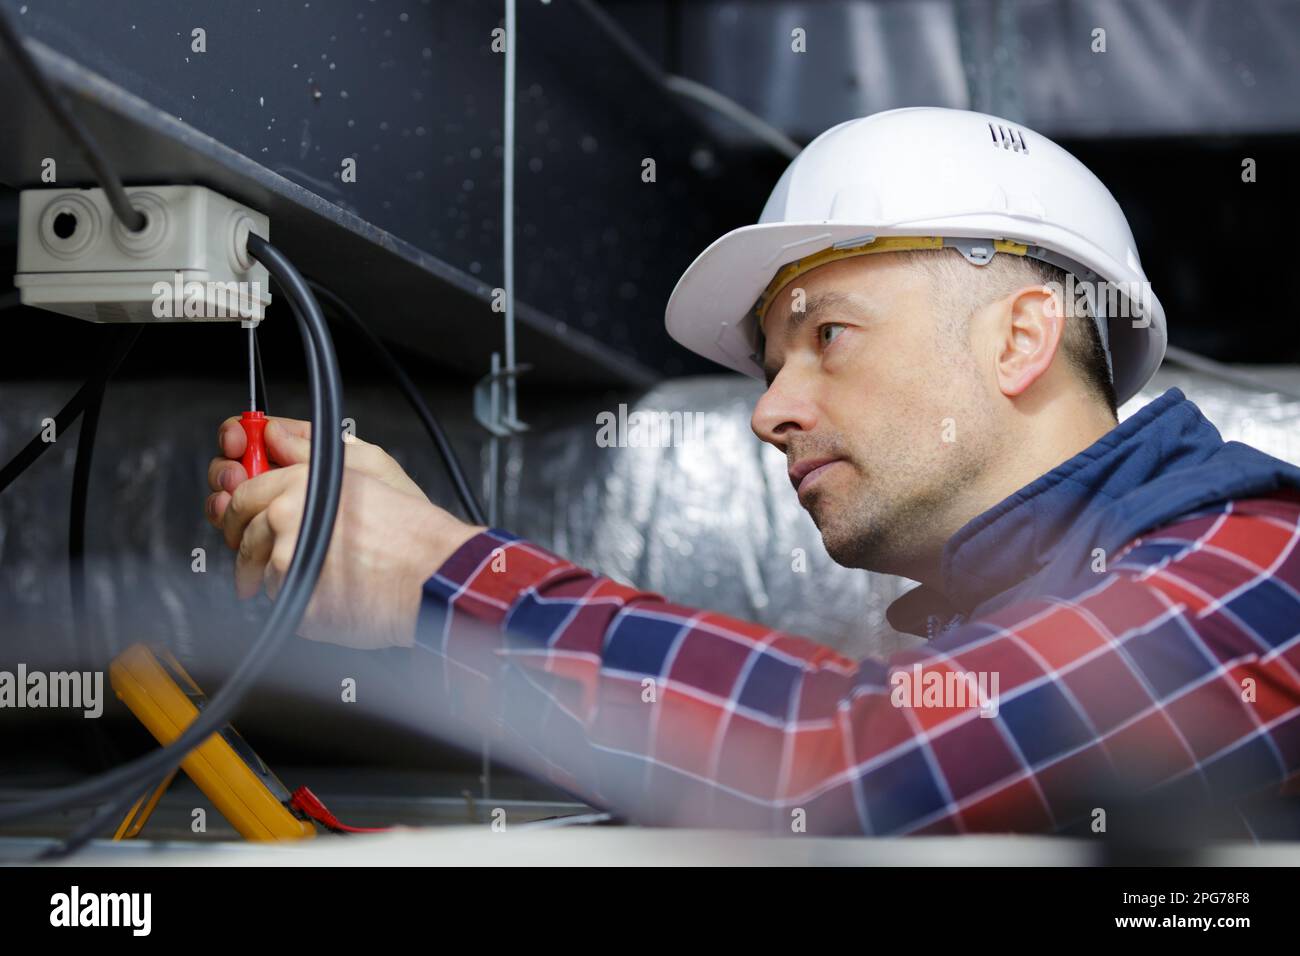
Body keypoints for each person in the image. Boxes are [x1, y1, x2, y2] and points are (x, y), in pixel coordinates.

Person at [203, 108, 1300, 835]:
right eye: (770, 362)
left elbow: (847, 765)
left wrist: (442, 575)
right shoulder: (1013, 624)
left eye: (825, 334)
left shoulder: (1260, 573)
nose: (769, 410)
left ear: (1018, 340)